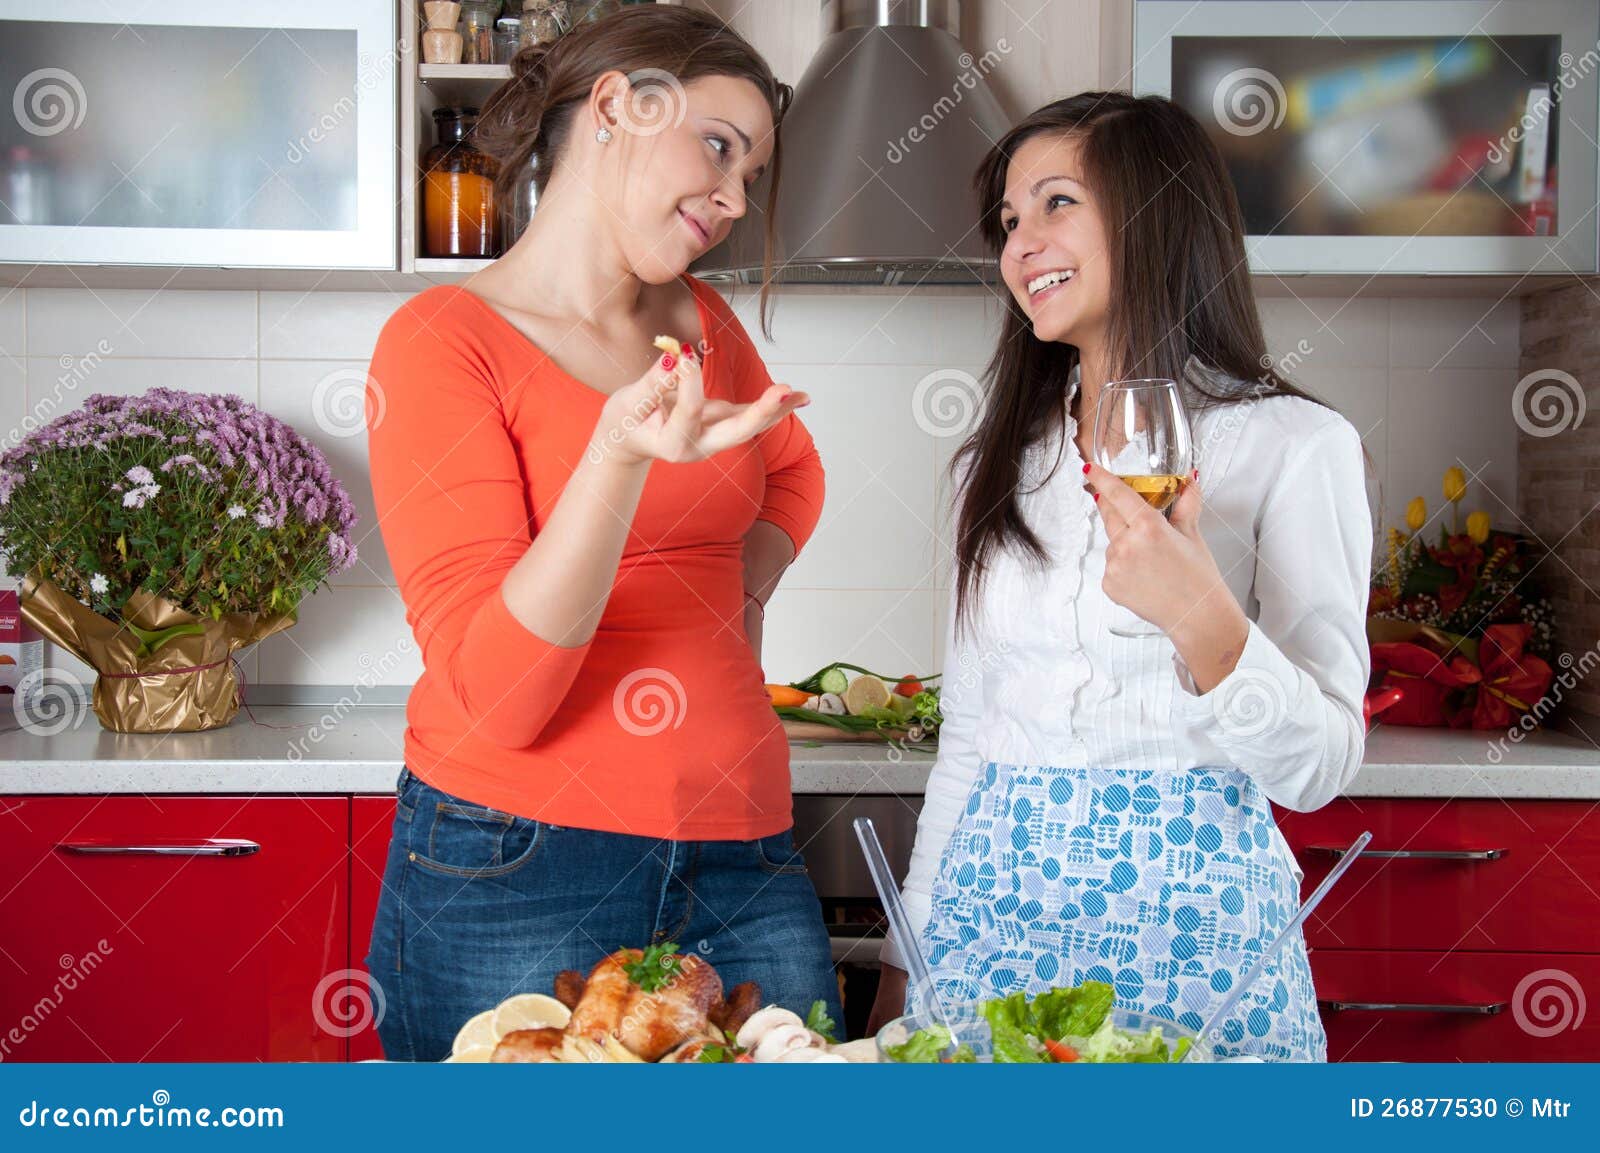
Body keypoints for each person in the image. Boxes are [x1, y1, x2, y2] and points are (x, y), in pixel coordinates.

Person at [363, 6, 839, 1061]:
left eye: (752, 173)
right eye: (718, 146)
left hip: (746, 846)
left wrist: (735, 602)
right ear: (621, 105)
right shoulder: (441, 345)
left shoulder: (702, 324)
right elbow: (504, 694)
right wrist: (615, 460)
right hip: (520, 859)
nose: (732, 197)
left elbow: (793, 471)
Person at [868, 92, 1372, 1061]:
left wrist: (1202, 619)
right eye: (1009, 220)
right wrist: (909, 953)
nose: (1022, 243)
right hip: (991, 921)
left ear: (1158, 211)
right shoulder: (997, 465)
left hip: (1195, 930)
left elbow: (1318, 770)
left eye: (1056, 203)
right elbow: (969, 736)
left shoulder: (1294, 446)